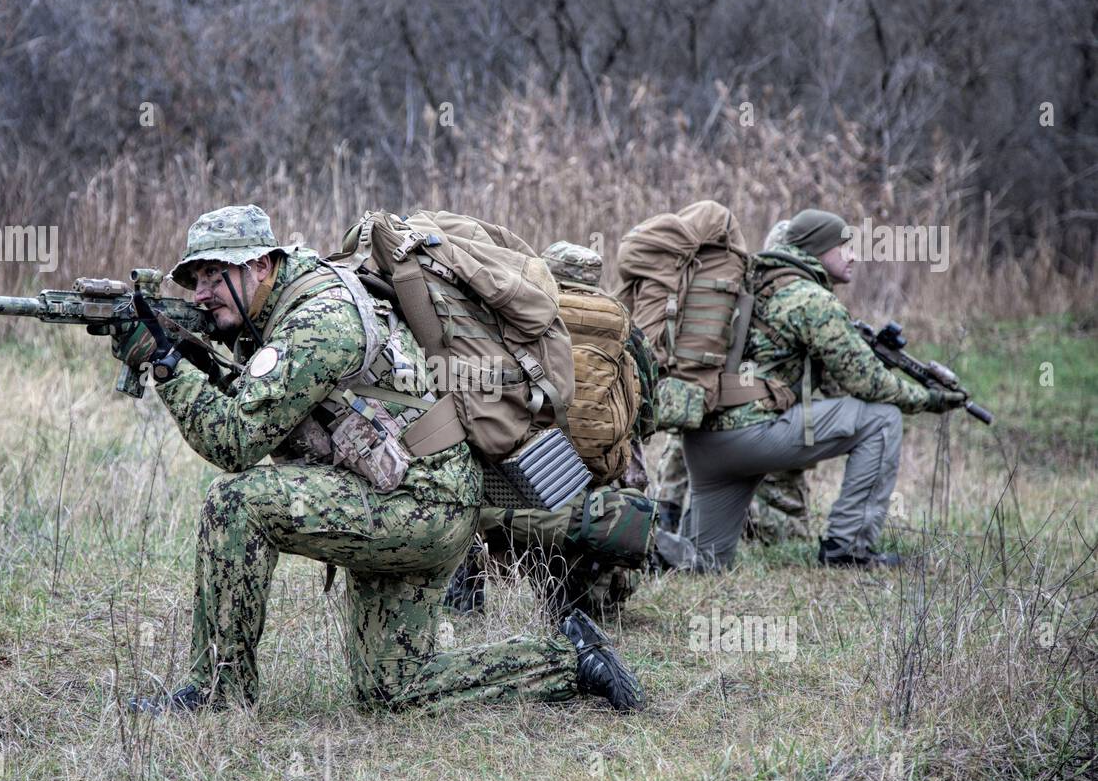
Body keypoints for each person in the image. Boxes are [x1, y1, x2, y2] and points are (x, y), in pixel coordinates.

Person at [104, 205, 644, 713]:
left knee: (237, 503)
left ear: (261, 266)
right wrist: (194, 355)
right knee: (393, 688)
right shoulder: (291, 305)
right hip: (424, 496)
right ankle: (573, 661)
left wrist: (169, 370)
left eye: (213, 277)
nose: (200, 294)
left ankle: (218, 692)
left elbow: (237, 444)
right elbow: (269, 406)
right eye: (194, 280)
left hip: (417, 505)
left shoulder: (319, 321)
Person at [679, 209, 966, 569]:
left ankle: (641, 550)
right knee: (882, 418)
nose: (853, 255)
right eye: (843, 246)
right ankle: (849, 548)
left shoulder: (753, 284)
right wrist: (930, 399)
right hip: (751, 439)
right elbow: (868, 383)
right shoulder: (810, 299)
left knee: (702, 563)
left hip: (705, 444)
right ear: (816, 249)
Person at [448, 241, 694, 620]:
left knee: (467, 477)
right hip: (590, 489)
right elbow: (646, 424)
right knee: (620, 486)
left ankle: (464, 597)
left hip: (511, 474)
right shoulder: (624, 330)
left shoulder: (510, 314)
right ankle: (592, 596)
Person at [653, 219, 812, 544]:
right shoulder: (781, 293)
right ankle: (677, 520)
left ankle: (673, 518)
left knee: (691, 432)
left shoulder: (747, 283)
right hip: (752, 400)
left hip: (736, 396)